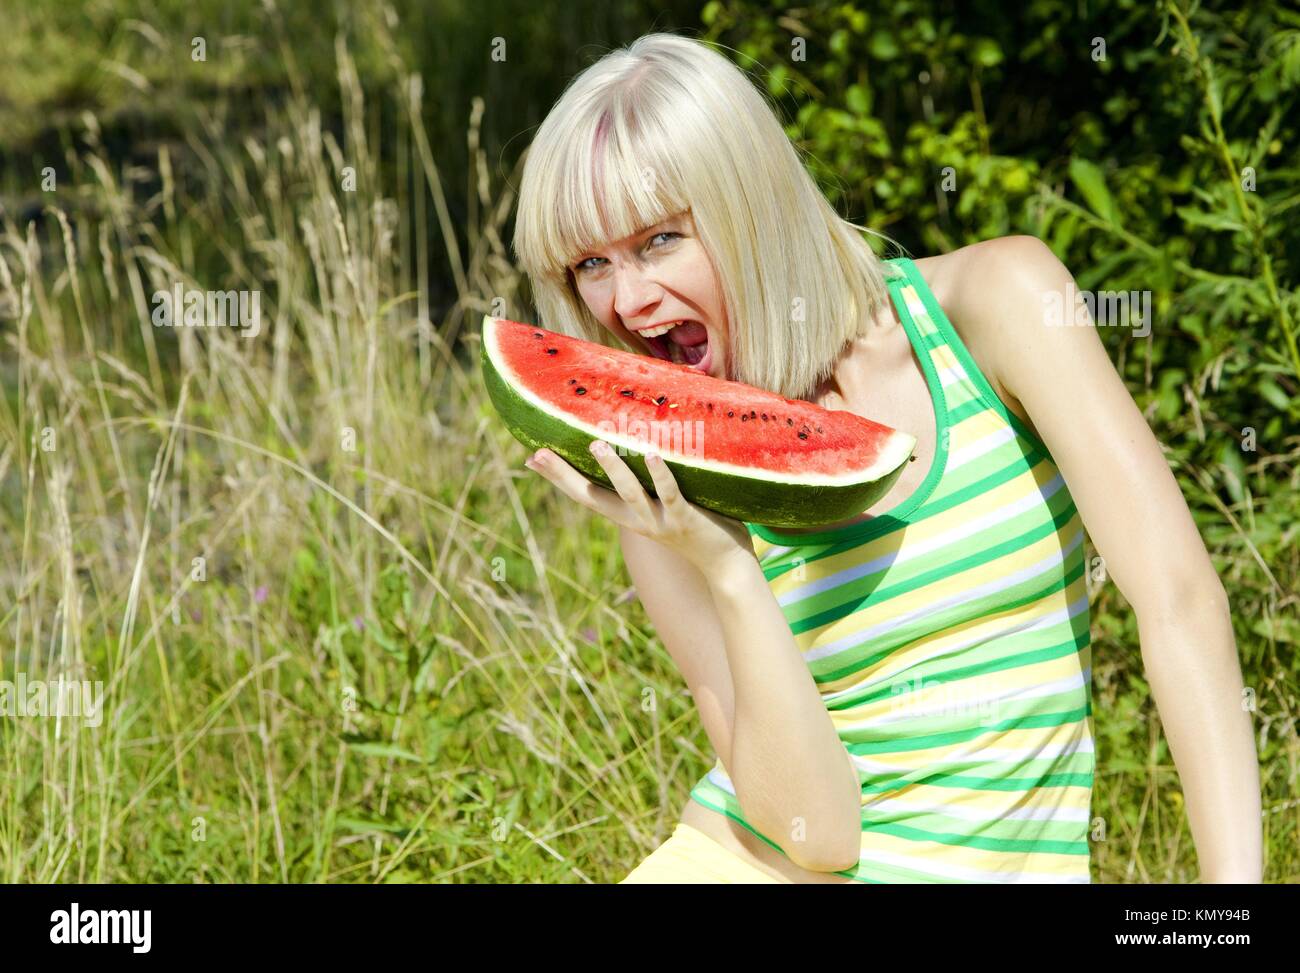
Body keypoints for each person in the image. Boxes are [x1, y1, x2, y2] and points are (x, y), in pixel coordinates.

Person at [510, 32, 1261, 883]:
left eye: (658, 242)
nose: (625, 300)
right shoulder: (661, 503)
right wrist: (723, 562)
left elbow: (1178, 598)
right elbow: (820, 836)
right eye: (589, 264)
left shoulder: (997, 302)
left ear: (749, 200)